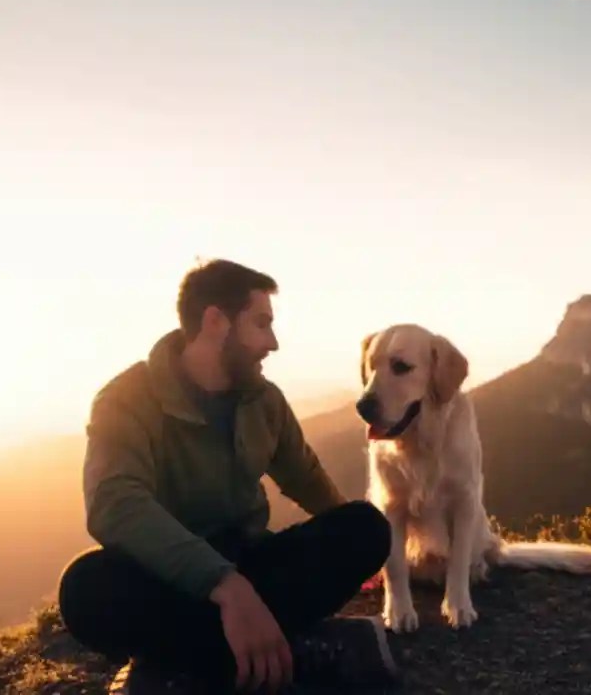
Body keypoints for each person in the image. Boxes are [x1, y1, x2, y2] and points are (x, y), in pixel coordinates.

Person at [57, 259, 400, 694]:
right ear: (216, 322)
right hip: (168, 577)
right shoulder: (126, 398)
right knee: (85, 589)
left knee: (365, 526)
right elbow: (114, 504)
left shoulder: (264, 400)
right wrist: (223, 584)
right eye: (261, 323)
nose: (272, 343)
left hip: (254, 566)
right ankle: (292, 650)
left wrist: (353, 547)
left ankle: (173, 669)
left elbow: (304, 475)